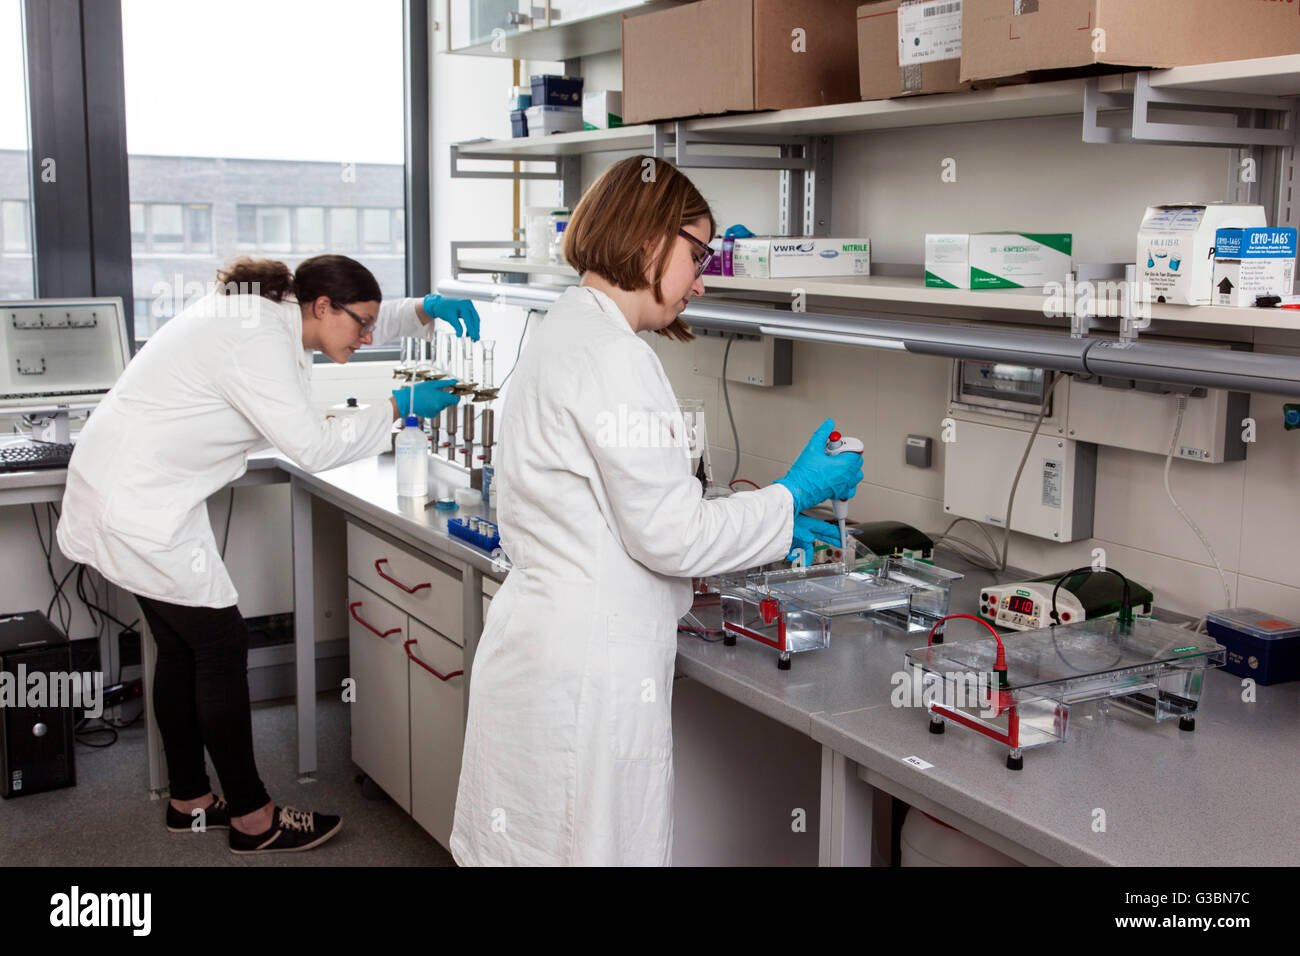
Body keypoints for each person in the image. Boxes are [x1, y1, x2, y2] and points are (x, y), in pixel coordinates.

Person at [449, 156, 863, 866]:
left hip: (547, 648)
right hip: (587, 670)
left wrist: (763, 517)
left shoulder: (567, 331)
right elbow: (671, 536)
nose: (701, 279)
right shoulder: (613, 356)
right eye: (697, 255)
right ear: (648, 242)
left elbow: (628, 508)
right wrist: (791, 493)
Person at [56, 254, 480, 855]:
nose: (365, 337)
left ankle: (190, 802)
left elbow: (354, 325)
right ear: (322, 306)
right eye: (359, 324)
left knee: (181, 650)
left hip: (135, 491)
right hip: (139, 503)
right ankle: (254, 820)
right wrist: (398, 409)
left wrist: (422, 312)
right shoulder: (257, 338)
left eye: (371, 326)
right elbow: (309, 443)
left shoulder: (283, 310)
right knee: (221, 647)